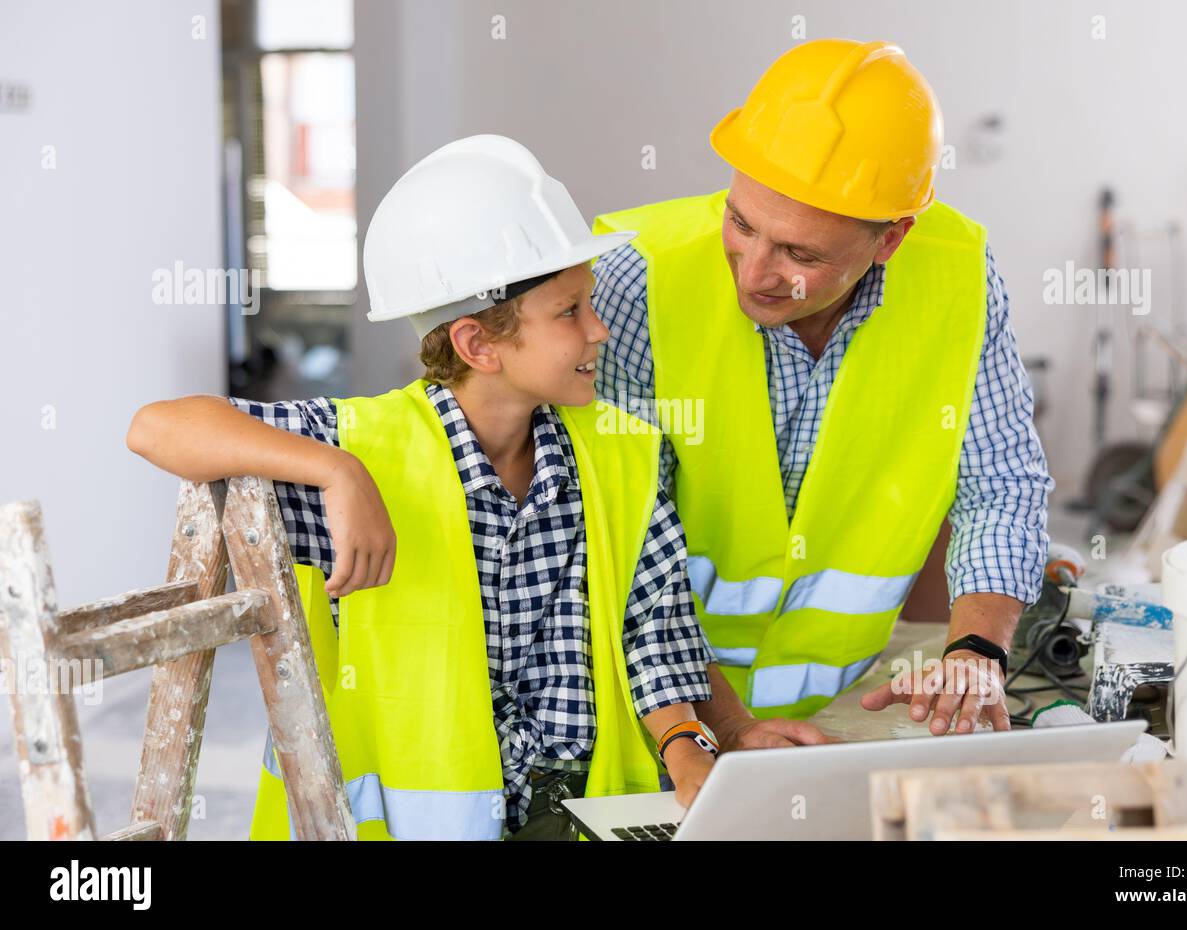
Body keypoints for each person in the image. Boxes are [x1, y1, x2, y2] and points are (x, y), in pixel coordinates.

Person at [127, 135, 718, 840]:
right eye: (570, 311)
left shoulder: (626, 453)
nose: (600, 330)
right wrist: (338, 471)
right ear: (477, 345)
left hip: (580, 817)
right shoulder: (365, 447)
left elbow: (654, 634)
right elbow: (157, 427)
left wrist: (688, 747)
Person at [591, 40, 1056, 740]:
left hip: (837, 713)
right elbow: (616, 538)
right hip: (656, 715)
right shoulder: (636, 282)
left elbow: (1001, 484)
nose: (754, 274)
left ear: (890, 239)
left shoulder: (957, 278)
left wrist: (975, 651)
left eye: (800, 254)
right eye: (741, 223)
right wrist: (728, 726)